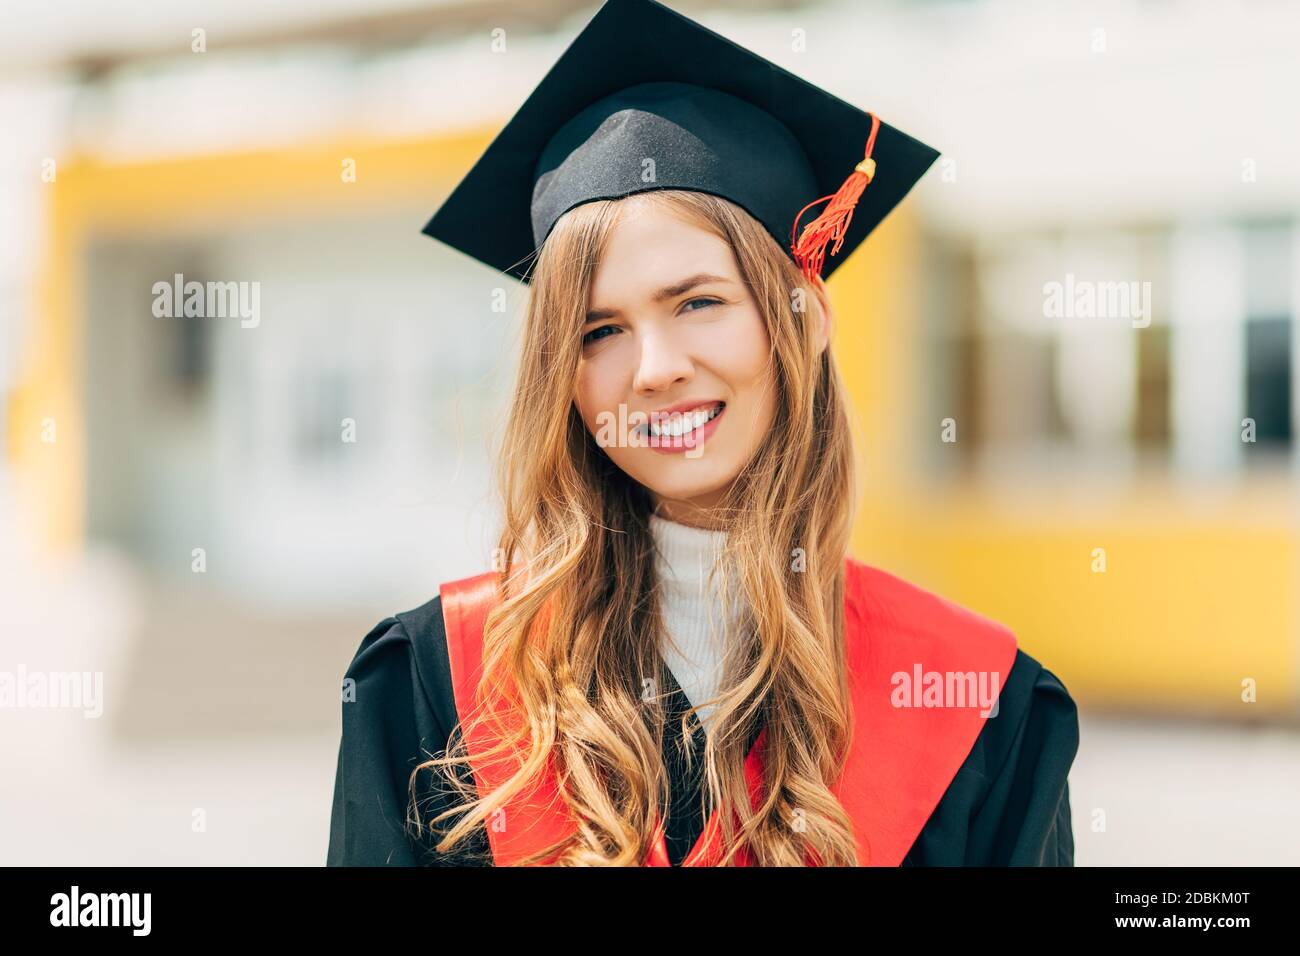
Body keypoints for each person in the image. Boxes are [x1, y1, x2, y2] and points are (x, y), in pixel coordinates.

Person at [327, 0, 1079, 867]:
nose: (654, 367)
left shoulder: (975, 703)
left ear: (802, 316)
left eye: (699, 302)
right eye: (598, 329)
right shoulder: (431, 685)